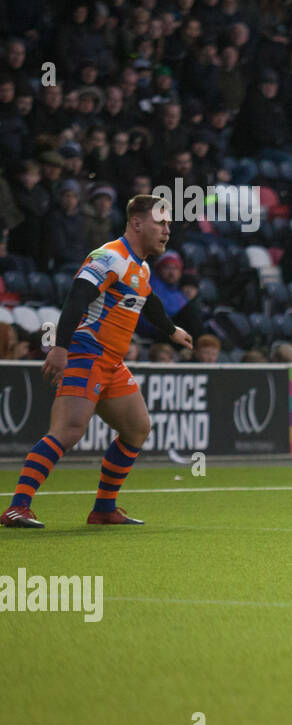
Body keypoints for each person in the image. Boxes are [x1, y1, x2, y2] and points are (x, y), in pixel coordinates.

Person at [3, 195, 194, 529]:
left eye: (168, 225)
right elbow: (77, 297)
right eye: (161, 223)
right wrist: (60, 348)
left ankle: (104, 509)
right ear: (137, 223)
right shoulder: (109, 257)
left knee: (137, 428)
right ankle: (18, 507)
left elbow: (148, 302)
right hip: (86, 353)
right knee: (68, 430)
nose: (167, 230)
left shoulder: (141, 266)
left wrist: (172, 330)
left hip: (112, 362)